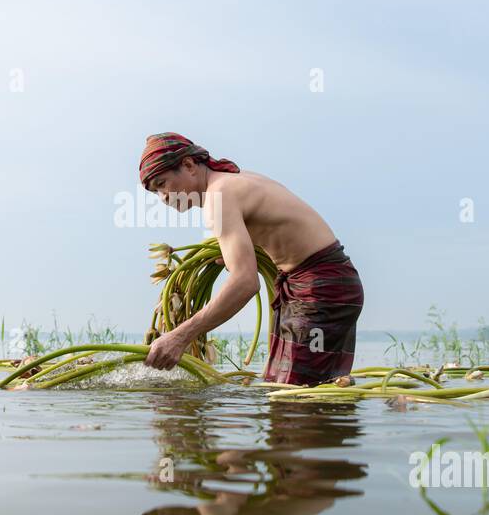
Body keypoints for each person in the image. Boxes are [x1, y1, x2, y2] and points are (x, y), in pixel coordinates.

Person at [138, 132, 364, 386]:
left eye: (162, 183)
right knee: (305, 392)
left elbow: (245, 282)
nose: (163, 197)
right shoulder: (232, 183)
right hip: (325, 286)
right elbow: (278, 232)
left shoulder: (219, 198)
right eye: (155, 191)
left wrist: (180, 336)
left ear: (189, 165)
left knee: (290, 398)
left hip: (320, 291)